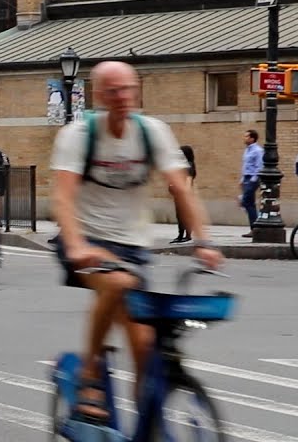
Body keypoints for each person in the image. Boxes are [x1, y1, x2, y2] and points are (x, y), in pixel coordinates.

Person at [51, 61, 222, 424]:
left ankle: (148, 425)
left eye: (129, 88)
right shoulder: (79, 135)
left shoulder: (152, 132)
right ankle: (90, 373)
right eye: (113, 91)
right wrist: (78, 246)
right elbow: (63, 197)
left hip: (133, 246)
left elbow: (181, 187)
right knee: (116, 283)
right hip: (85, 239)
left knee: (146, 346)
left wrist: (204, 240)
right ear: (98, 95)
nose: (123, 97)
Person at [170, 146, 197, 244]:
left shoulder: (189, 165)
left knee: (185, 215)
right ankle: (180, 235)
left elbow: (188, 181)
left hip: (185, 194)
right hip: (178, 194)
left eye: (181, 153)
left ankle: (188, 235)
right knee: (179, 215)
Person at [239, 129, 263, 237]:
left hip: (253, 179)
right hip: (246, 178)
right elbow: (246, 165)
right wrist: (242, 179)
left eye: (246, 136)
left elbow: (259, 166)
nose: (244, 138)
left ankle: (256, 227)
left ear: (252, 138)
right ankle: (255, 228)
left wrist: (253, 180)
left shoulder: (258, 151)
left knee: (246, 202)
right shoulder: (247, 150)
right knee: (250, 203)